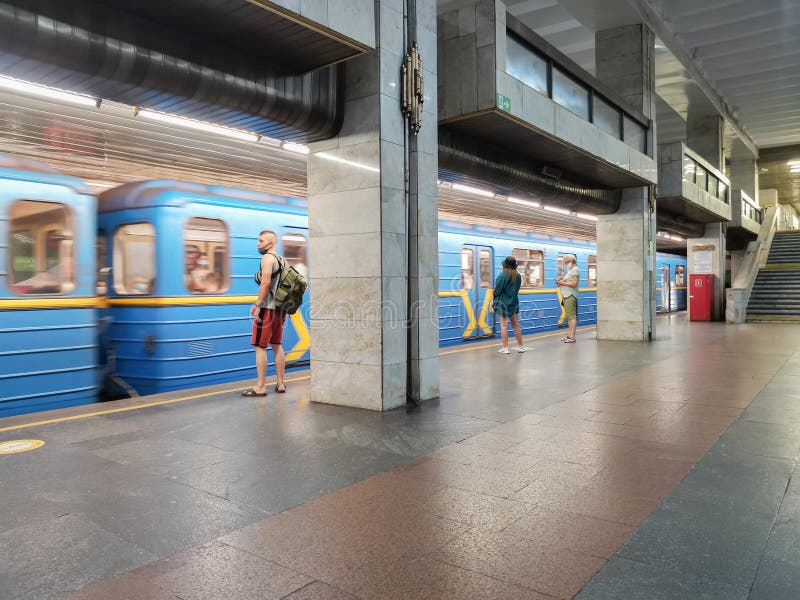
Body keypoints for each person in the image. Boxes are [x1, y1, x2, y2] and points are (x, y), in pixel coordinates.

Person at [243, 230, 287, 396]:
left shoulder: (267, 258)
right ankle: (281, 384)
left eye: (261, 241)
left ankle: (261, 387)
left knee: (260, 347)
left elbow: (265, 283)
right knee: (277, 345)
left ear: (270, 244)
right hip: (280, 310)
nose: (257, 243)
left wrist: (258, 304)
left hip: (267, 309)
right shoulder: (282, 260)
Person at [490, 256, 527, 354]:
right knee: (515, 325)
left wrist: (492, 301)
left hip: (503, 302)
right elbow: (517, 290)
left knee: (503, 326)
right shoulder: (518, 276)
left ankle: (505, 348)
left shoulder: (503, 275)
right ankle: (520, 347)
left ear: (505, 266)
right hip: (513, 302)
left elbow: (497, 291)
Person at [556, 254, 580, 343]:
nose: (566, 264)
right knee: (569, 317)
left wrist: (562, 283)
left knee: (572, 317)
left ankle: (572, 337)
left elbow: (574, 284)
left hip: (570, 295)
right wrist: (560, 281)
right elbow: (568, 282)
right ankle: (569, 335)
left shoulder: (575, 270)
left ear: (571, 261)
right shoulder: (571, 271)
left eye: (567, 262)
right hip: (566, 295)